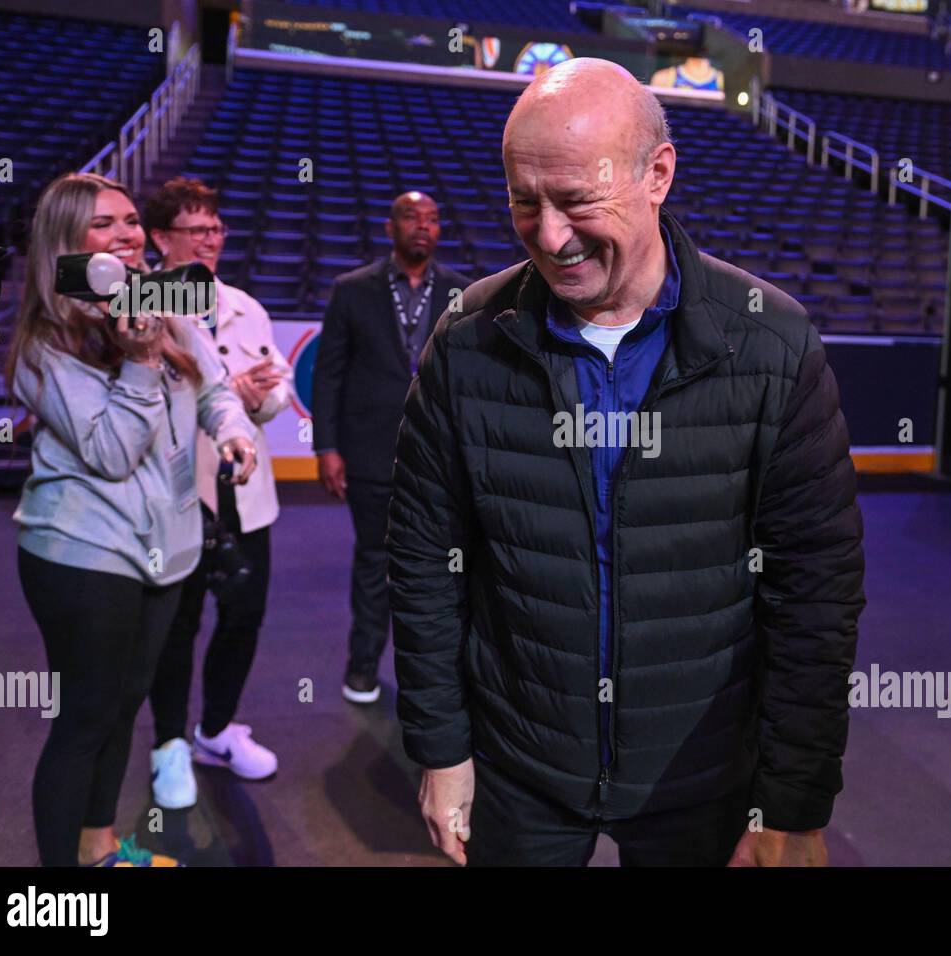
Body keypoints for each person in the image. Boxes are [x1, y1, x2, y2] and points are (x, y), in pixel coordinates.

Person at [388, 59, 864, 867]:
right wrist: (439, 749)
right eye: (524, 202)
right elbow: (424, 565)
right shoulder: (465, 337)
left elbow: (815, 592)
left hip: (704, 774)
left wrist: (793, 797)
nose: (548, 236)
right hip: (520, 767)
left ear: (659, 175)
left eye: (577, 201)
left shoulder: (773, 342)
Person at [6, 172, 256, 866]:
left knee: (126, 704)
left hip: (164, 548)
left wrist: (234, 429)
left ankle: (98, 851)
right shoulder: (42, 340)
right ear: (65, 241)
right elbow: (113, 452)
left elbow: (213, 386)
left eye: (130, 221)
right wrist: (142, 363)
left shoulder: (160, 295)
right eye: (103, 225)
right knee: (85, 720)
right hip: (83, 551)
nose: (128, 236)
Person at [143, 177, 293, 808]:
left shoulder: (244, 303)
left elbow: (278, 387)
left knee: (244, 615)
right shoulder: (139, 303)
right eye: (196, 229)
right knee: (175, 627)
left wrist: (260, 397)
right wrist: (228, 387)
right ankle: (169, 745)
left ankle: (215, 731)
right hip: (175, 497)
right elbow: (145, 404)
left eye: (216, 228)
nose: (211, 240)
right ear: (160, 238)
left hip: (245, 493)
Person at [311, 191, 471, 704]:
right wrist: (327, 447)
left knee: (437, 566)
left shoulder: (461, 292)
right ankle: (362, 665)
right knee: (373, 559)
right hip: (368, 450)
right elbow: (329, 374)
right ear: (390, 227)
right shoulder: (352, 290)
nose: (423, 227)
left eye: (432, 219)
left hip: (439, 456)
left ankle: (430, 675)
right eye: (411, 217)